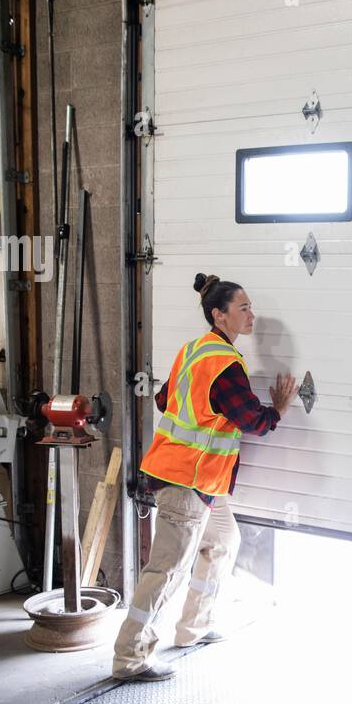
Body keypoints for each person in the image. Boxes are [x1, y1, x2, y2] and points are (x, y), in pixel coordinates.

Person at [112, 274, 297, 681]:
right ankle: (131, 657)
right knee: (167, 570)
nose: (251, 314)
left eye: (251, 306)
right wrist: (279, 409)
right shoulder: (223, 363)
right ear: (220, 314)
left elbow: (164, 400)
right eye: (243, 307)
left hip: (202, 481)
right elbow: (252, 419)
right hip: (186, 482)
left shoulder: (195, 350)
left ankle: (193, 628)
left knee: (222, 543)